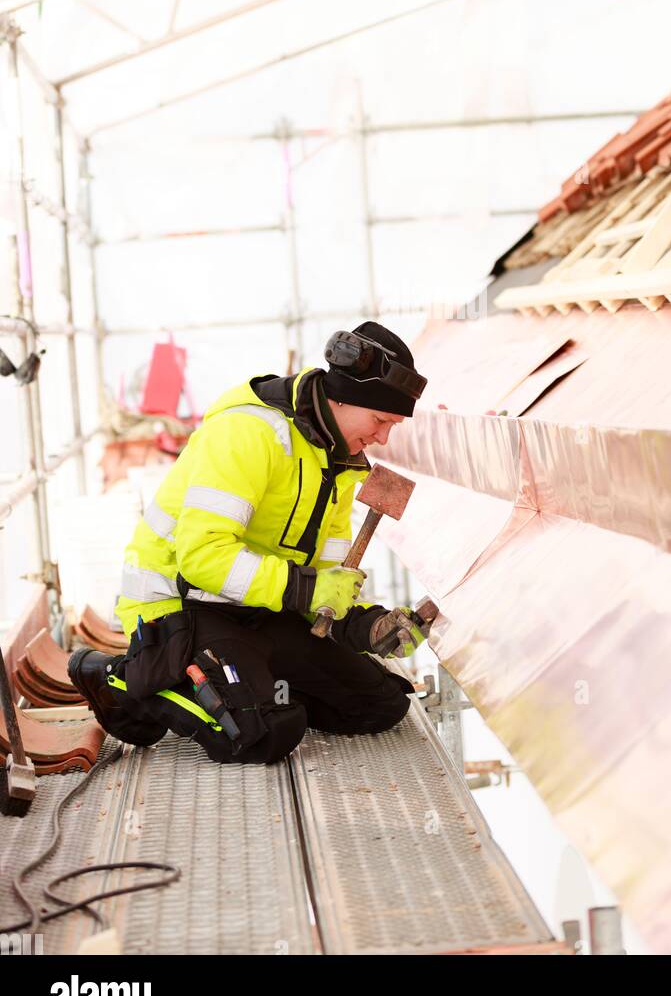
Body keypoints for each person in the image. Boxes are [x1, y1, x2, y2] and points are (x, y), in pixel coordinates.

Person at [68, 323, 428, 764]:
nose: (383, 437)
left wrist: (367, 625)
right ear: (343, 398)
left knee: (380, 705)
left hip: (255, 607)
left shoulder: (341, 465)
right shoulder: (250, 433)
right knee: (261, 733)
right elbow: (203, 559)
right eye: (381, 420)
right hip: (182, 608)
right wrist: (307, 589)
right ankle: (123, 678)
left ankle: (246, 685)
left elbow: (324, 584)